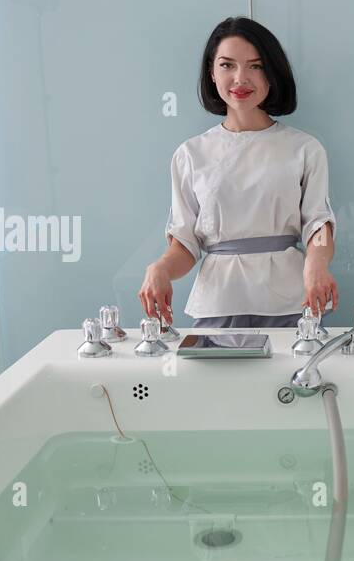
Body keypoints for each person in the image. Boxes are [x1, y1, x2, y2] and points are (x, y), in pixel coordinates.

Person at [139, 17, 339, 330]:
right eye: (227, 65)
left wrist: (316, 262)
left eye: (256, 66)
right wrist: (160, 268)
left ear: (272, 72)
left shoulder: (305, 148)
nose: (241, 78)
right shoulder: (190, 155)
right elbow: (185, 242)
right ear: (212, 72)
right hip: (219, 301)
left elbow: (319, 223)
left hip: (291, 302)